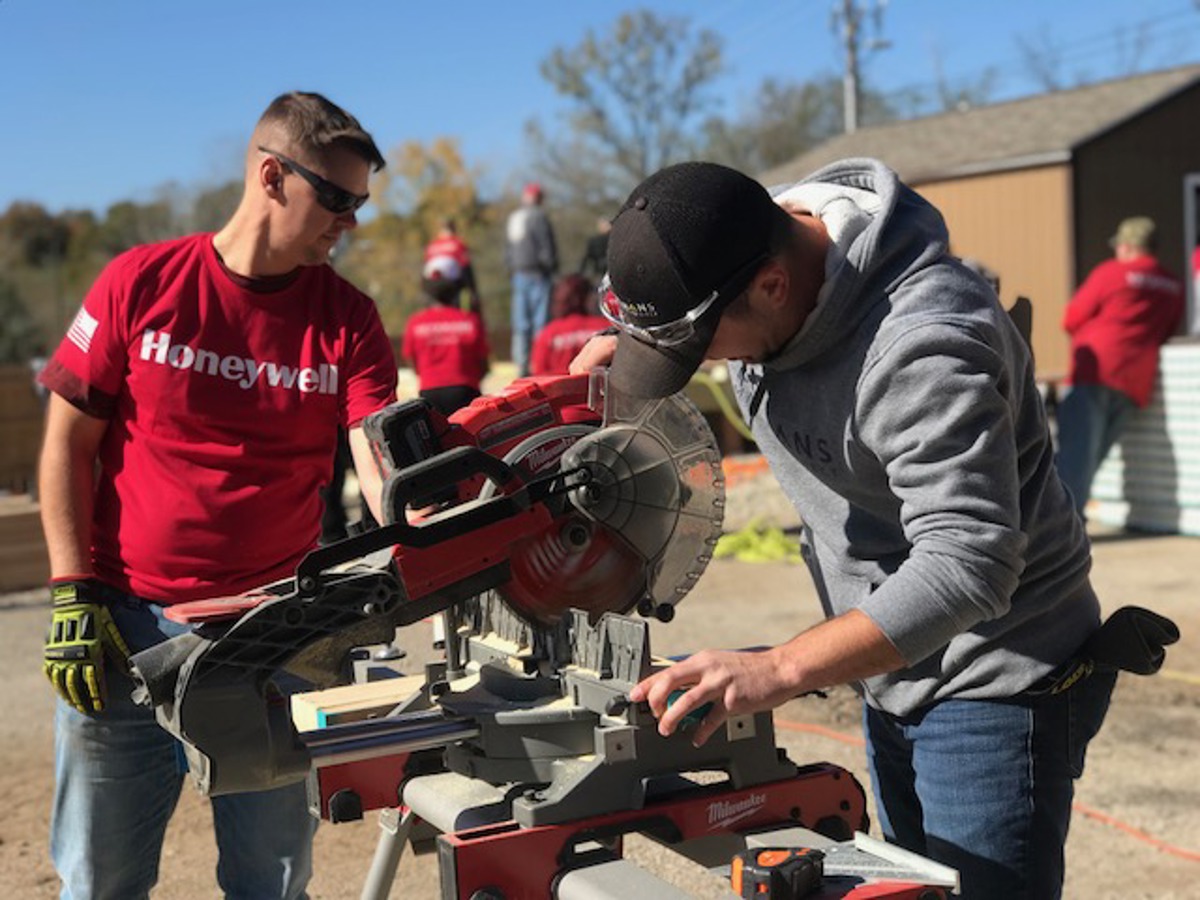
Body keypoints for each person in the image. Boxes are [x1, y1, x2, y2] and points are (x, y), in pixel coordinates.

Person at [571, 159, 1113, 898]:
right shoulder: (755, 244)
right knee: (914, 888)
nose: (710, 363)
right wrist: (641, 362)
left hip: (992, 669)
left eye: (704, 343)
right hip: (890, 656)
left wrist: (779, 668)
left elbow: (969, 562)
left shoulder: (922, 344)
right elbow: (725, 310)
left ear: (771, 285)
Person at [37, 91, 397, 900]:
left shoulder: (348, 320)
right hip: (123, 640)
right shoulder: (140, 282)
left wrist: (420, 512)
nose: (351, 222)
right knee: (100, 885)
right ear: (272, 176)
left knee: (269, 888)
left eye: (361, 204)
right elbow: (66, 443)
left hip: (273, 645)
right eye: (336, 200)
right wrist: (69, 592)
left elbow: (377, 460)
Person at [1056, 216, 1183, 517]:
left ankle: (1057, 531)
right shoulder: (1172, 285)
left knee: (1075, 457)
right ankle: (1068, 522)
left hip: (1095, 370)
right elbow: (1167, 330)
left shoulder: (1111, 273)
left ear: (1126, 247)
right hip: (1136, 379)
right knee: (1093, 457)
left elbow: (1071, 318)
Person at [402, 255, 490, 416]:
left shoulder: (415, 323)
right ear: (458, 286)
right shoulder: (470, 321)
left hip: (428, 393)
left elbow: (411, 362)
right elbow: (484, 365)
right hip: (466, 392)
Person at [505, 182, 558, 376]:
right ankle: (539, 363)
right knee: (540, 322)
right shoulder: (539, 217)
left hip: (519, 274)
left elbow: (508, 250)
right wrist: (551, 266)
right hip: (538, 274)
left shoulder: (515, 217)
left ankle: (522, 364)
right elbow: (546, 246)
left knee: (521, 322)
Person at [529, 274, 608, 376]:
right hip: (596, 389)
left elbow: (538, 372)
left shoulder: (548, 333)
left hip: (556, 389)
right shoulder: (606, 330)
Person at [424, 217, 482, 315]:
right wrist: (473, 292)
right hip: (452, 285)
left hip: (430, 285)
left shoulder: (431, 246)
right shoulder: (458, 244)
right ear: (454, 228)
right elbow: (466, 269)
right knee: (464, 288)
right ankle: (463, 316)